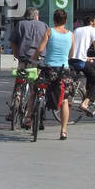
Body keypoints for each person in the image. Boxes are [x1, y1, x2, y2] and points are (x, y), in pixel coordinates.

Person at [35, 8, 74, 140]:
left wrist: (34, 58)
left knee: (38, 88)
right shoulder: (71, 35)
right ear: (66, 21)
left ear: (54, 20)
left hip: (49, 68)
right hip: (64, 70)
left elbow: (40, 49)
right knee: (64, 100)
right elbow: (71, 54)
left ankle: (34, 115)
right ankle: (63, 131)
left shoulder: (49, 31)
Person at [9, 7, 49, 126]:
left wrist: (16, 53)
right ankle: (30, 115)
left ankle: (14, 107)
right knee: (34, 88)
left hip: (23, 59)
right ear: (37, 16)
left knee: (19, 84)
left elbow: (13, 41)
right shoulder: (44, 26)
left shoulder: (20, 24)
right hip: (38, 61)